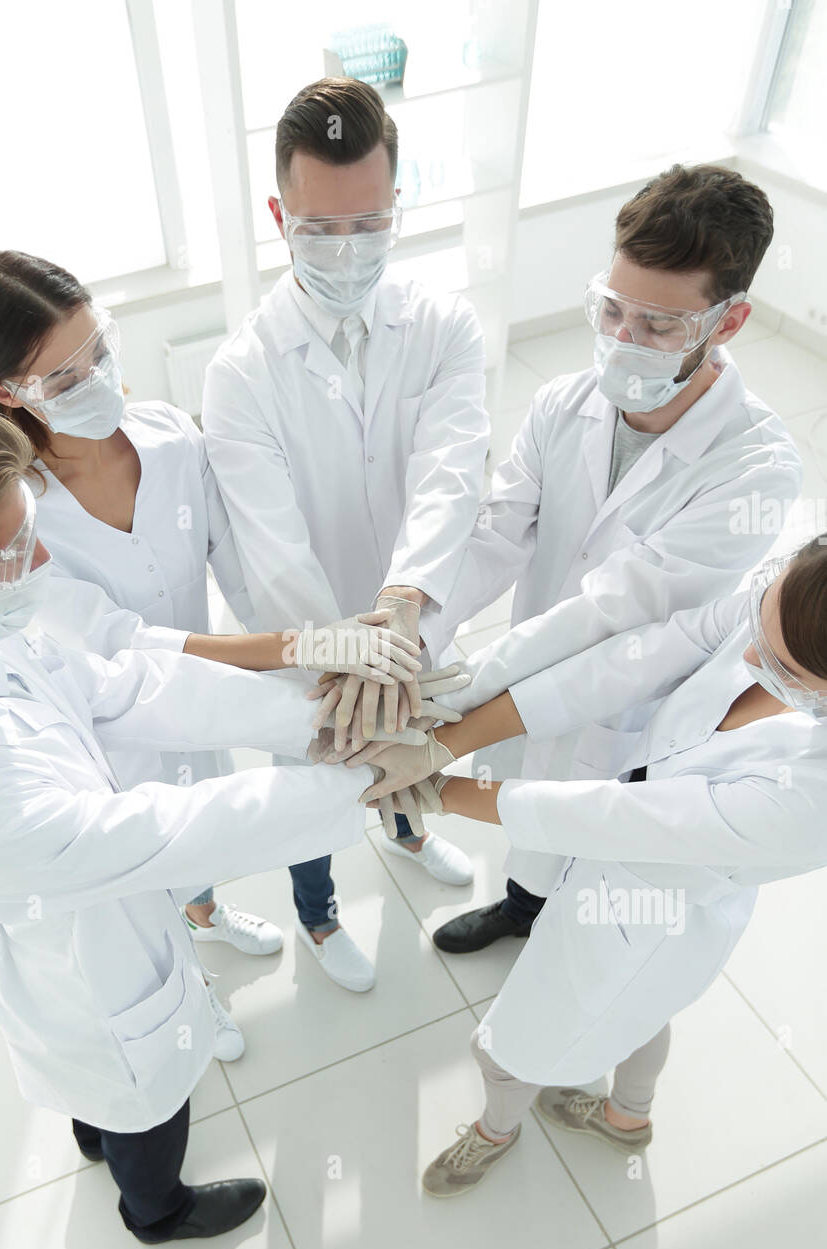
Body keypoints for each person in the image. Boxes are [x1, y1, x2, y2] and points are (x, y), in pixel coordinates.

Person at [0, 387, 416, 1242]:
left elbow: (127, 690)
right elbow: (182, 828)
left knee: (100, 1104)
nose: (44, 568)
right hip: (92, 976)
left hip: (86, 933)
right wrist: (372, 776)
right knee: (146, 1107)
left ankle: (96, 1135)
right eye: (15, 554)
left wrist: (320, 723)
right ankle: (159, 1211)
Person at [0, 252, 461, 1042]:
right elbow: (125, 645)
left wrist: (323, 663)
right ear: (4, 393)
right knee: (150, 866)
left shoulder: (167, 438)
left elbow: (240, 561)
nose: (95, 380)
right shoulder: (18, 518)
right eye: (63, 378)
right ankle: (190, 983)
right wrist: (301, 646)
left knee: (236, 808)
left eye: (99, 351)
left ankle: (270, 917)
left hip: (207, 691)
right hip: (115, 727)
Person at [329, 535, 827, 1192]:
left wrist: (442, 790)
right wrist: (449, 735)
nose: (744, 656)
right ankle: (627, 1117)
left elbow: (618, 819)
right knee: (646, 1013)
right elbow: (631, 661)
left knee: (508, 1046)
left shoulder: (809, 797)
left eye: (782, 669)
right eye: (757, 628)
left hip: (650, 910)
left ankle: (493, 1132)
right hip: (641, 884)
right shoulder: (792, 606)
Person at [420, 164, 802, 955]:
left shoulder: (756, 468)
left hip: (629, 708)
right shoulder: (565, 402)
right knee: (531, 817)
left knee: (592, 859)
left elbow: (616, 608)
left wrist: (457, 696)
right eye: (612, 309)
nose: (623, 340)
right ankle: (520, 908)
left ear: (726, 324)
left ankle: (557, 932)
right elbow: (497, 532)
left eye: (660, 327)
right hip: (534, 675)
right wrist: (413, 632)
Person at [203, 76, 490, 991]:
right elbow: (273, 551)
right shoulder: (240, 373)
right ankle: (319, 917)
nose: (345, 249)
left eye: (366, 225)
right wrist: (353, 663)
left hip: (414, 620)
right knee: (315, 776)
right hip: (313, 642)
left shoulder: (442, 326)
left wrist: (403, 616)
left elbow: (452, 476)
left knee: (409, 741)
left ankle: (408, 829)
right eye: (319, 229)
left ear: (396, 206)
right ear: (277, 212)